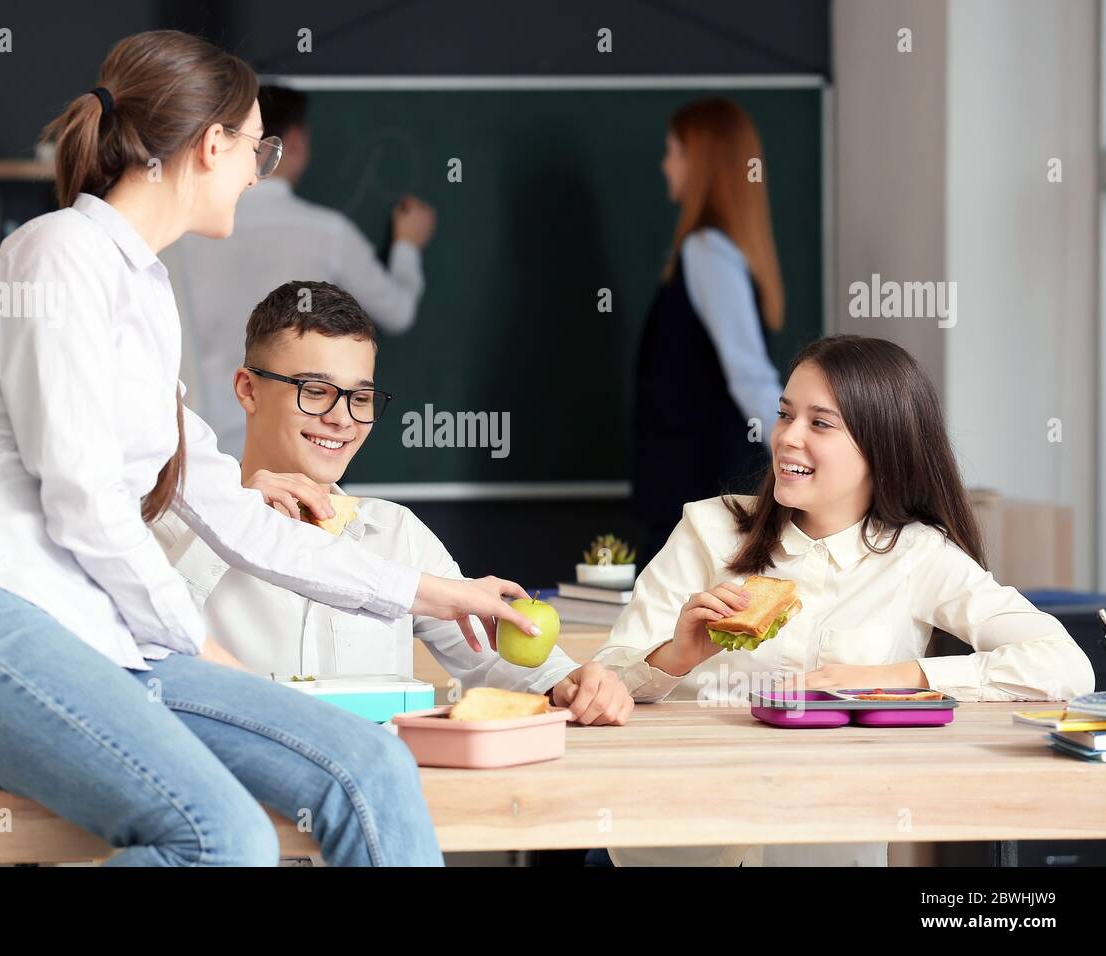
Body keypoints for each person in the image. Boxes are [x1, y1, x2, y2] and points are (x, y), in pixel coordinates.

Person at [0, 30, 540, 867]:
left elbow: (226, 506)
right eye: (255, 147)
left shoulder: (147, 293)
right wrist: (202, 644)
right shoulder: (57, 255)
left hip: (96, 637)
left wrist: (442, 595)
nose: (260, 170)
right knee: (222, 839)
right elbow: (80, 494)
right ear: (210, 144)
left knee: (370, 767)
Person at [598, 334, 1096, 866]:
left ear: (882, 446)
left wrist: (897, 681)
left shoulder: (918, 556)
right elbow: (604, 680)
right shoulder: (709, 529)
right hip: (677, 847)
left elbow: (1065, 667)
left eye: (820, 423)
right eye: (785, 415)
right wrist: (672, 658)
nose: (789, 437)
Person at [152, 280, 634, 726]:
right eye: (316, 391)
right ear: (248, 389)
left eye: (360, 399)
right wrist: (234, 517)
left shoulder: (395, 531)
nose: (342, 418)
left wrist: (569, 682)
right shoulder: (165, 523)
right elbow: (148, 646)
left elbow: (491, 658)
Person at [164, 84, 436, 457]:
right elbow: (397, 311)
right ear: (292, 140)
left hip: (191, 440)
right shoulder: (327, 232)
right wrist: (407, 246)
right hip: (297, 441)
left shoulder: (182, 232)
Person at [633, 97, 785, 565]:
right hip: (696, 482)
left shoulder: (706, 250)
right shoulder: (713, 250)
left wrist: (797, 447)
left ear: (701, 163)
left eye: (674, 152)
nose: (665, 165)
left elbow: (749, 374)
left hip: (698, 483)